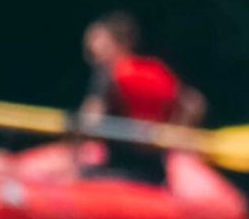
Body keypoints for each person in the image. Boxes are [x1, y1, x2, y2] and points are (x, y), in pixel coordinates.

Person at [78, 12, 204, 184]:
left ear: (118, 43)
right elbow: (194, 103)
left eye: (97, 40)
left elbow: (89, 121)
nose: (90, 47)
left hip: (116, 167)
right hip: (156, 171)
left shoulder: (109, 74)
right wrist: (176, 137)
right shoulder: (154, 70)